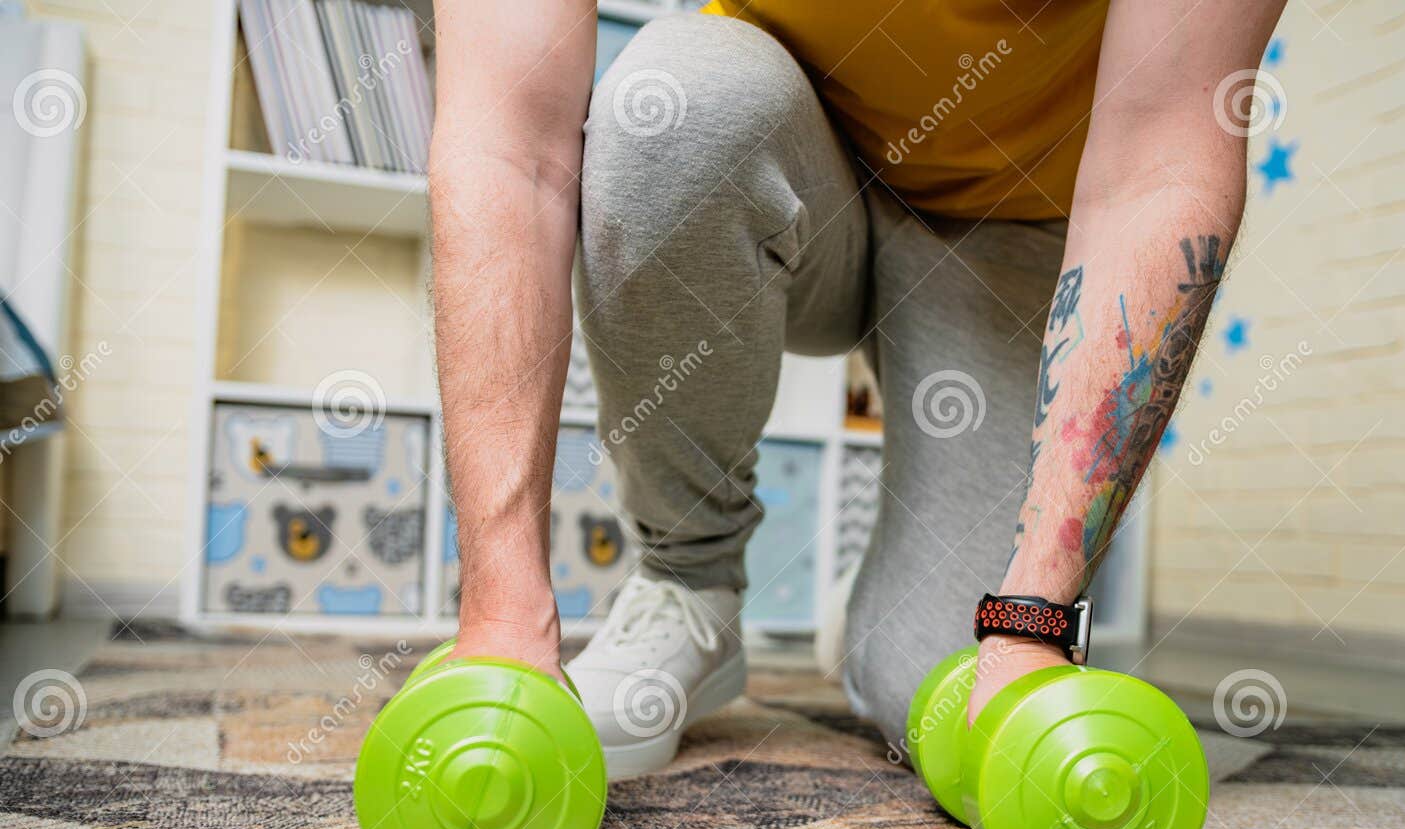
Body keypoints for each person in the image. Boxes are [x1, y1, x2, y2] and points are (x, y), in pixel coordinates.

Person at [429, 0, 1286, 774]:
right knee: (671, 104)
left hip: (1020, 222)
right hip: (784, 153)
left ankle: (881, 602)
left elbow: (1160, 166)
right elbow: (508, 150)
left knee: (933, 689)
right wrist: (501, 620)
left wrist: (1030, 620)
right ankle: (688, 583)